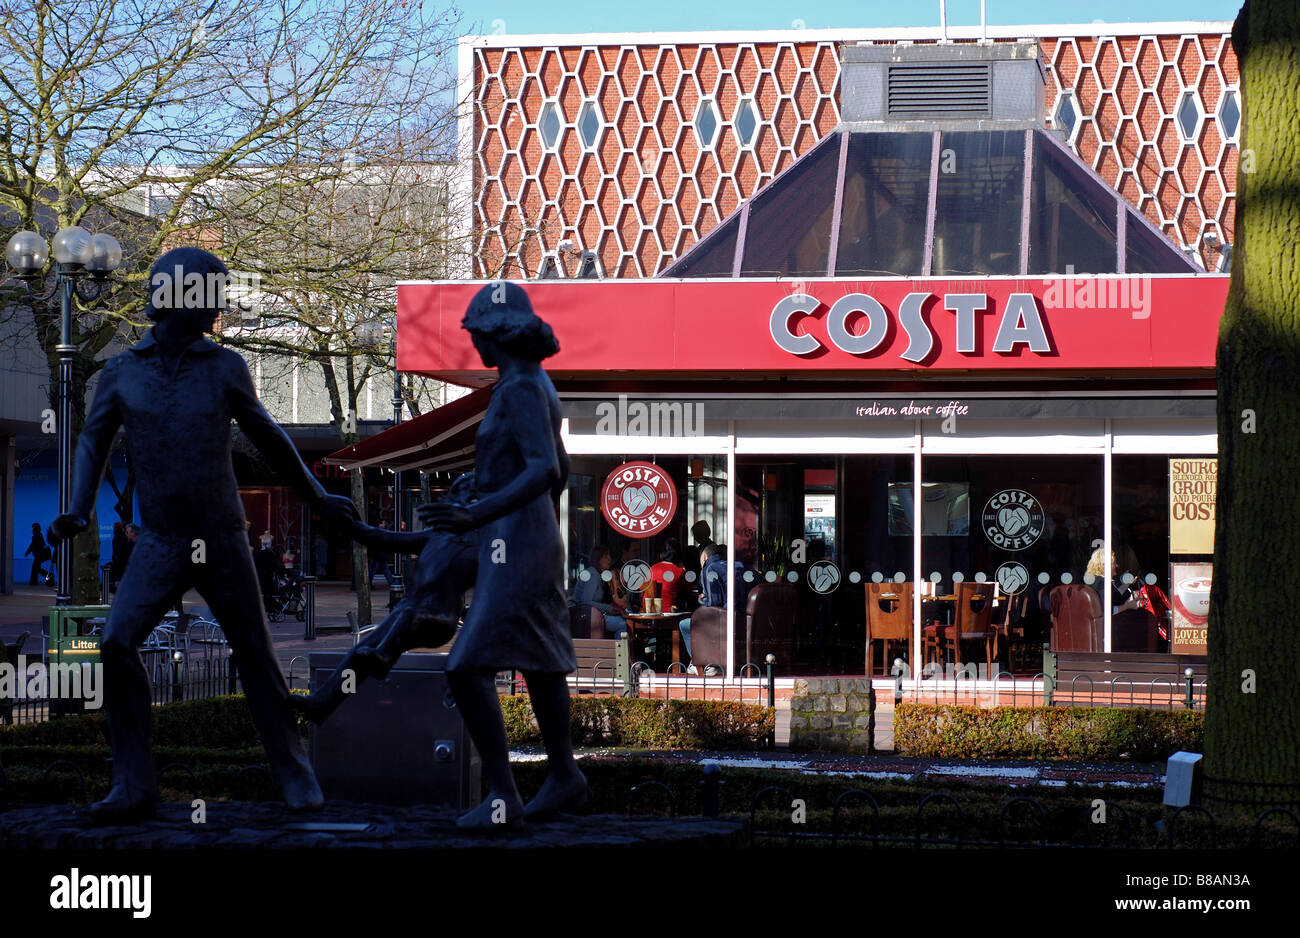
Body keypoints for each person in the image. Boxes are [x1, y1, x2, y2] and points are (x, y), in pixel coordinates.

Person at [47, 246, 358, 823]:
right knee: (116, 643)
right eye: (209, 293)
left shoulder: (225, 367)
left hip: (221, 535)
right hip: (160, 540)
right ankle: (133, 782)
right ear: (172, 297)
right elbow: (93, 441)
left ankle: (291, 769)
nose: (217, 306)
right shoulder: (120, 373)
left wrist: (317, 496)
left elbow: (267, 434)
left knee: (256, 653)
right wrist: (78, 509)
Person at [419, 280, 587, 831]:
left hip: (515, 539)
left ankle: (502, 795)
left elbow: (541, 469)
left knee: (466, 665)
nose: (475, 349)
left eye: (479, 336)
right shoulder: (537, 383)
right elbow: (558, 472)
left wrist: (479, 512)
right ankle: (563, 776)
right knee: (539, 662)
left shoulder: (516, 389)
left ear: (502, 333)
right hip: (529, 536)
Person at [296, 473, 479, 723]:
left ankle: (384, 656)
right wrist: (352, 524)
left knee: (404, 615)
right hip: (412, 610)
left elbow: (496, 579)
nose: (457, 505)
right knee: (361, 648)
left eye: (467, 499)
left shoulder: (481, 544)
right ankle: (323, 702)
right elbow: (383, 538)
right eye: (455, 498)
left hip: (439, 617)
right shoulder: (435, 537)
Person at [1085, 546, 1157, 652]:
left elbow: (1113, 597)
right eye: (1114, 563)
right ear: (1105, 566)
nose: (1117, 566)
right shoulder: (1103, 584)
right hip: (1109, 635)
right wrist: (1129, 605)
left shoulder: (1094, 582)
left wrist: (1127, 584)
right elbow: (1108, 610)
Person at [678, 543, 728, 675]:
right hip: (739, 619)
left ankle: (701, 662)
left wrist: (701, 599)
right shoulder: (735, 567)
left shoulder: (709, 568)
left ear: (704, 557)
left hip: (721, 620)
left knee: (684, 624)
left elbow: (713, 603)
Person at [573, 545, 627, 636]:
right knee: (622, 624)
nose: (610, 559)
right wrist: (608, 608)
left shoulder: (598, 575)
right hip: (585, 618)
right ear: (598, 559)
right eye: (606, 556)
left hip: (590, 616)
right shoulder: (593, 575)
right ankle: (619, 650)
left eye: (609, 556)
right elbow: (585, 601)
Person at [648, 540, 686, 612]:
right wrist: (683, 568)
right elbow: (688, 589)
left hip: (649, 612)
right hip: (669, 614)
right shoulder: (679, 571)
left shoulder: (652, 568)